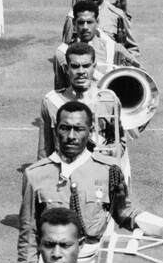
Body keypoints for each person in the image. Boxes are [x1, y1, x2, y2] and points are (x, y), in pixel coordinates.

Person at [17, 101, 163, 263]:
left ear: (90, 131)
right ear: (56, 130)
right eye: (64, 128)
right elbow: (28, 233)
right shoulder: (36, 175)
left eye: (79, 129)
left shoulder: (109, 170)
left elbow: (125, 212)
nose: (71, 135)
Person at [40, 42, 128, 173]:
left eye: (86, 66)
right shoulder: (51, 101)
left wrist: (109, 151)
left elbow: (121, 144)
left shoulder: (109, 100)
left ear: (94, 67)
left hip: (100, 173)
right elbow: (44, 150)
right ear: (66, 69)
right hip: (66, 173)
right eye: (75, 67)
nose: (81, 71)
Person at [52, 0, 140, 90]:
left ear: (97, 22)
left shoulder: (114, 49)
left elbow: (140, 76)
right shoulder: (61, 54)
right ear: (74, 23)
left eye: (89, 22)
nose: (85, 27)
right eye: (81, 22)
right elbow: (60, 89)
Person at [61, 0, 138, 59]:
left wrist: (121, 65)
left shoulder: (118, 15)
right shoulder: (72, 17)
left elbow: (132, 50)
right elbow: (65, 48)